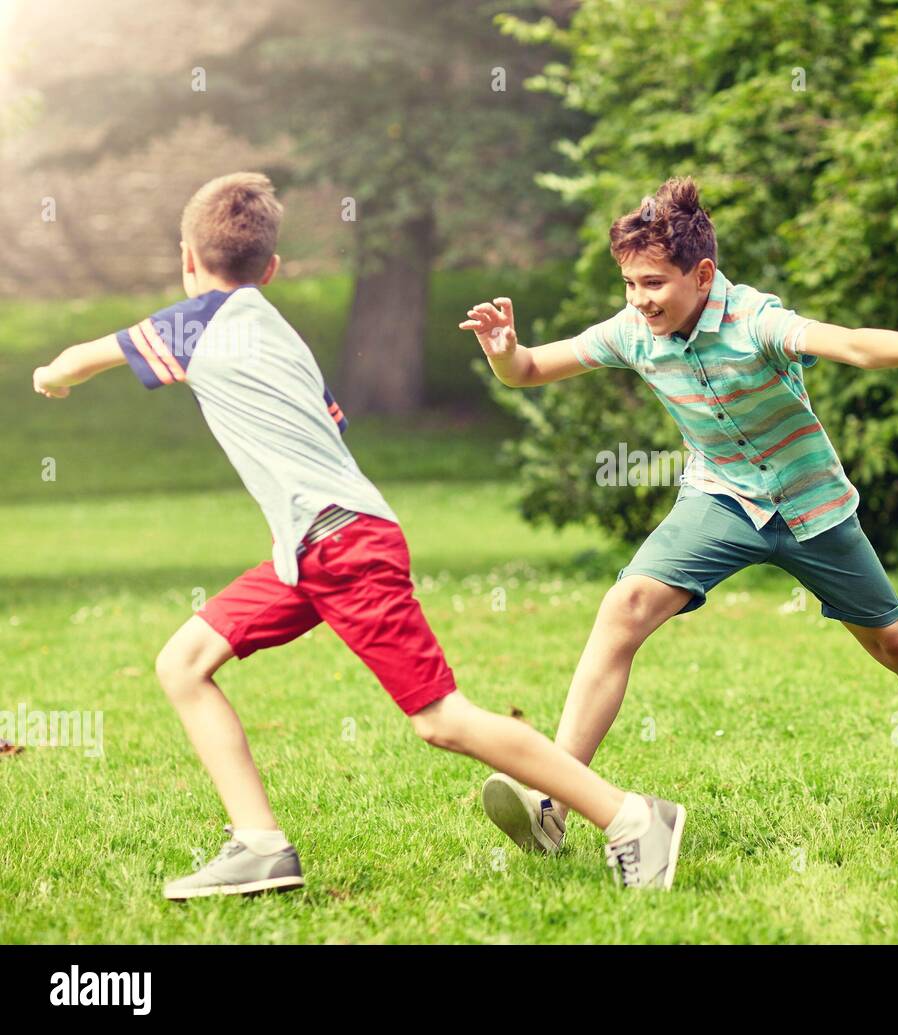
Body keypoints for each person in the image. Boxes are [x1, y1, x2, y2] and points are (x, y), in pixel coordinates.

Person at [31, 172, 685, 895]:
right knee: (183, 663)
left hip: (340, 546)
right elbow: (329, 425)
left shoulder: (193, 322)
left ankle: (630, 816)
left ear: (188, 259)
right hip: (312, 548)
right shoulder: (280, 333)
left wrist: (50, 377)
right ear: (272, 270)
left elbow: (78, 359)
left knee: (441, 719)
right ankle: (259, 846)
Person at [461, 176, 898, 857]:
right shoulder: (633, 333)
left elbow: (849, 343)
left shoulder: (754, 320)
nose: (639, 300)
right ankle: (552, 800)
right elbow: (528, 369)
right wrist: (502, 351)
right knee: (625, 606)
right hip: (721, 498)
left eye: (653, 283)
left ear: (702, 275)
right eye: (628, 284)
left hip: (810, 504)